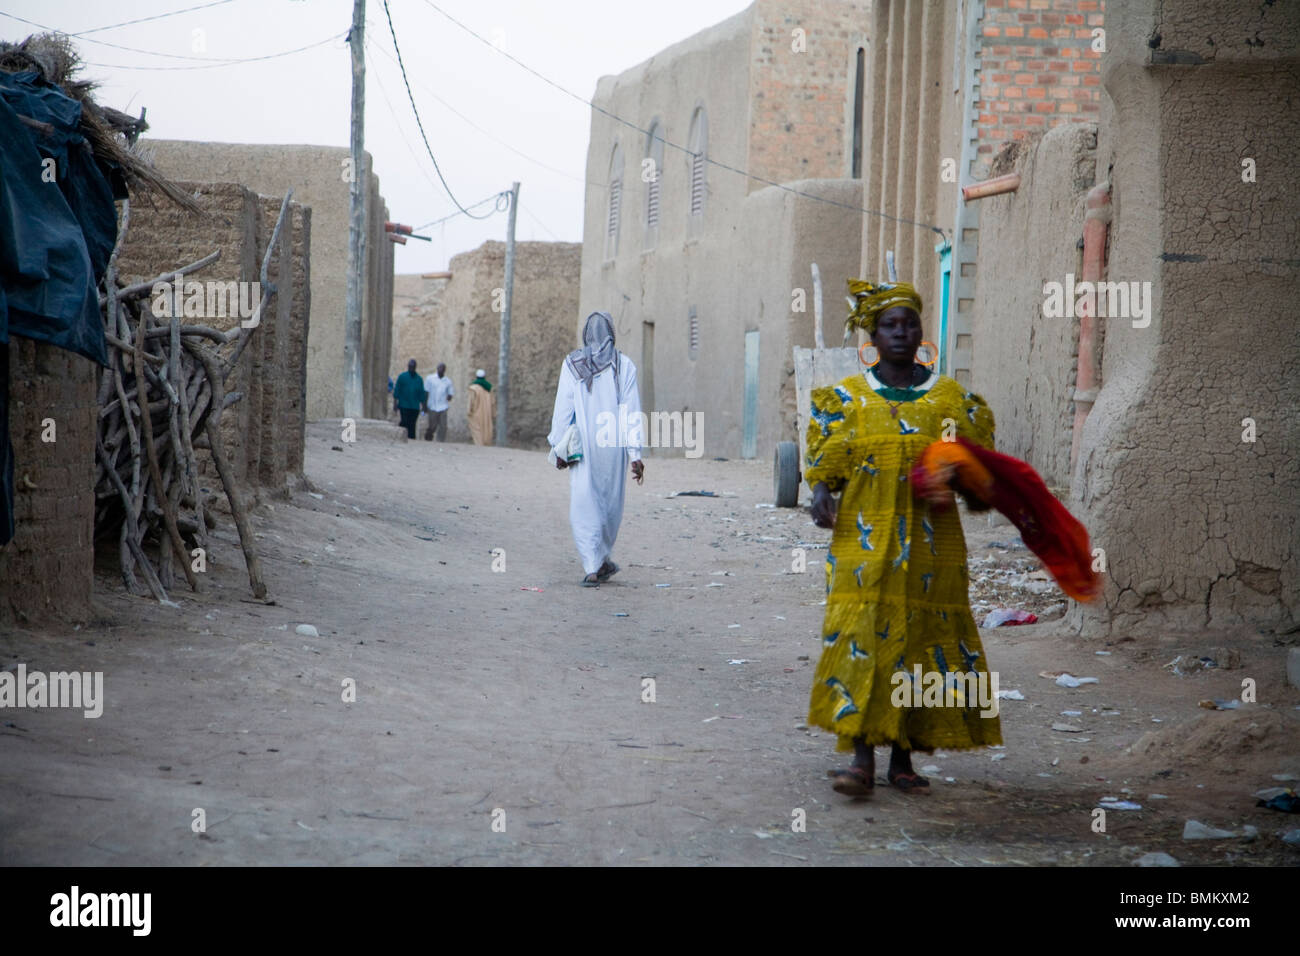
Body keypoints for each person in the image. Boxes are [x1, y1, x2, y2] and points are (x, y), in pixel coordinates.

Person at [805, 279, 1001, 798]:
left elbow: (979, 472)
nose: (900, 333)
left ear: (921, 331)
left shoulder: (950, 402)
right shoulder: (844, 400)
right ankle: (861, 758)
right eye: (889, 325)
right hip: (862, 546)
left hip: (933, 546)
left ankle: (904, 759)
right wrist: (822, 492)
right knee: (862, 639)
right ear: (872, 334)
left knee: (921, 643)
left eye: (909, 323)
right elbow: (825, 467)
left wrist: (957, 474)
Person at [548, 311, 645, 587]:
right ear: (612, 333)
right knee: (610, 504)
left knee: (584, 502)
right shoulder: (623, 365)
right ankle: (597, 561)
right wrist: (635, 454)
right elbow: (631, 412)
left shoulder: (572, 364)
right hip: (613, 448)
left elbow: (563, 407)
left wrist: (558, 446)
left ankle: (595, 564)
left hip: (584, 448)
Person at [393, 358, 426, 440]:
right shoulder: (402, 377)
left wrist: (423, 406)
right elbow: (397, 390)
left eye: (413, 366)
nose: (411, 368)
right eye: (410, 366)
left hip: (414, 406)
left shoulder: (419, 379)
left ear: (415, 367)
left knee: (412, 423)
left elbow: (421, 393)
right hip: (404, 404)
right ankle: (401, 436)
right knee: (404, 421)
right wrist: (395, 403)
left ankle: (411, 438)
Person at [423, 362, 454, 442]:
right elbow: (426, 392)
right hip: (432, 405)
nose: (441, 370)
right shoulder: (430, 379)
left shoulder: (447, 381)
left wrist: (449, 396)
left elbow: (450, 393)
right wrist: (424, 406)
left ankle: (440, 441)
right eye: (440, 368)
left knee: (443, 426)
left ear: (444, 370)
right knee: (432, 426)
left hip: (443, 406)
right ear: (437, 369)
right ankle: (428, 438)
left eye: (443, 369)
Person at [467, 368, 495, 446]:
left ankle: (479, 444)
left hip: (476, 413)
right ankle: (486, 444)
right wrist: (493, 413)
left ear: (476, 377)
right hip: (487, 413)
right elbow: (493, 402)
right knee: (486, 430)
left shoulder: (473, 388)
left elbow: (471, 401)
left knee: (477, 429)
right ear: (485, 377)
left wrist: (469, 411)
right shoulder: (489, 388)